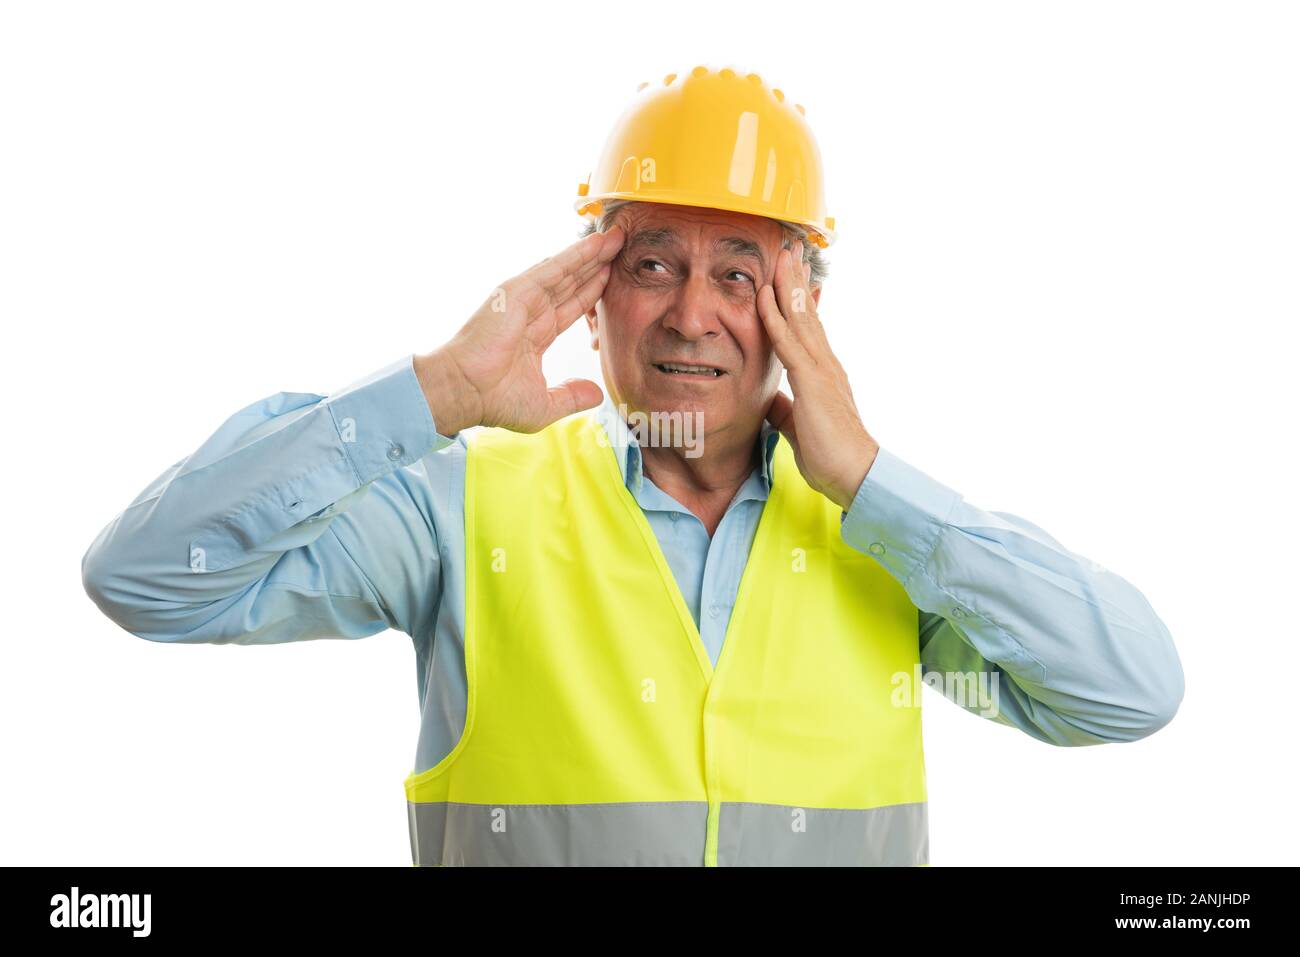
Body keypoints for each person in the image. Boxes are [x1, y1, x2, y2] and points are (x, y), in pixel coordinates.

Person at [82, 66, 1184, 866]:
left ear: (805, 303)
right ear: (593, 292)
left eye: (740, 275)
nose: (691, 315)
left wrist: (872, 486)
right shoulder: (460, 513)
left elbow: (1130, 693)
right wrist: (428, 397)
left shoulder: (893, 547)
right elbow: (145, 578)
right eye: (652, 262)